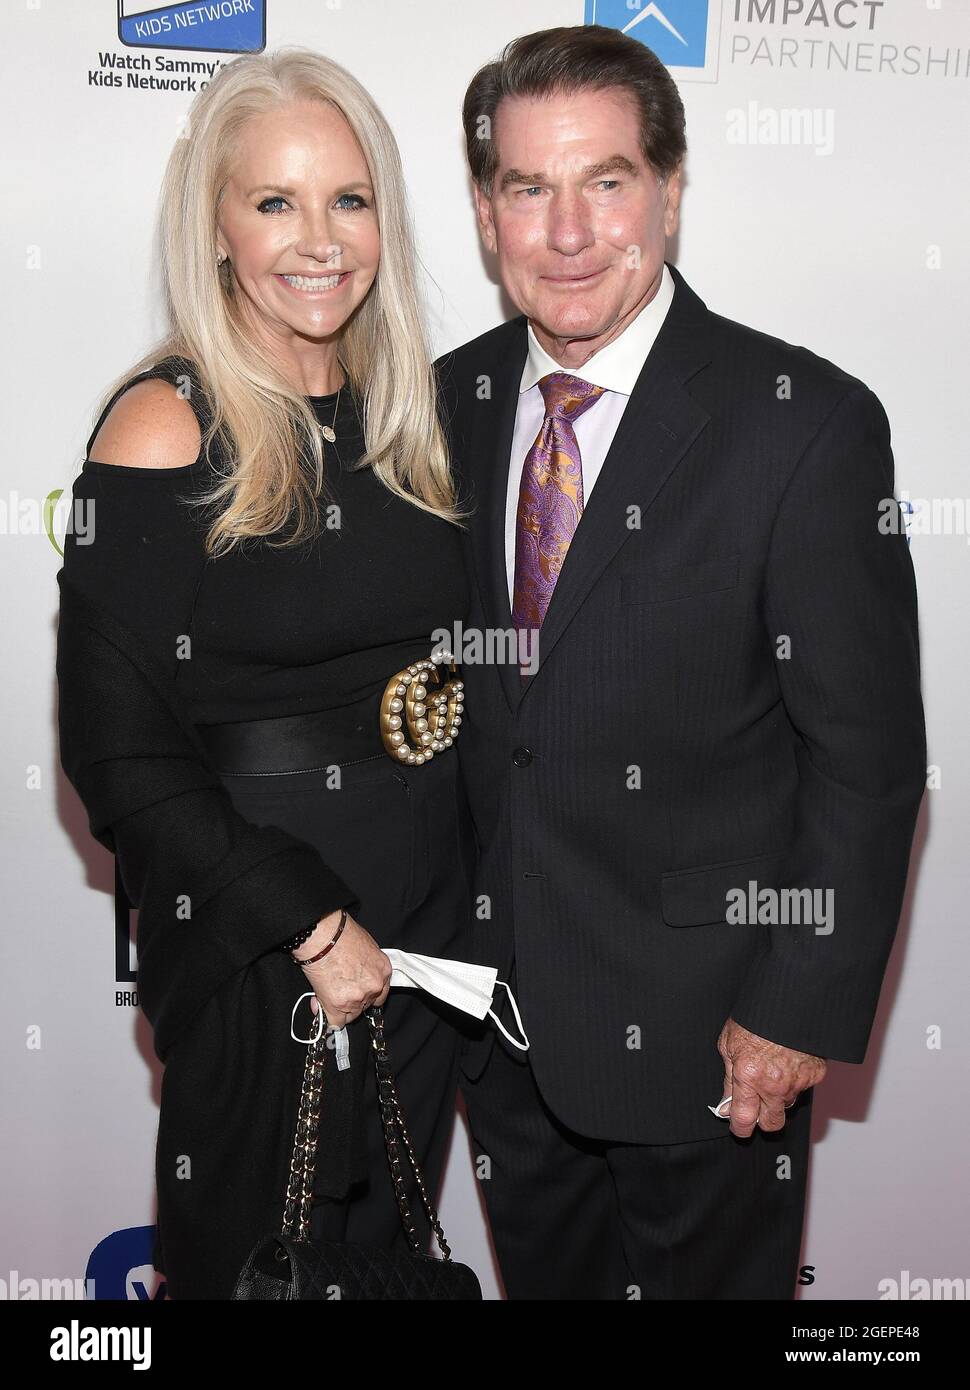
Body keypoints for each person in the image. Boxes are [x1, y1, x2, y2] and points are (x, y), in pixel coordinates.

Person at [435, 25, 926, 1299]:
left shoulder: (803, 426)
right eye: (527, 189)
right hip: (501, 1039)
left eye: (604, 181)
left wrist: (794, 1009)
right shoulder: (441, 407)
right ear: (487, 214)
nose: (567, 232)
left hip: (714, 1045)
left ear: (667, 186)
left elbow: (868, 763)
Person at [56, 46, 476, 1300]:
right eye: (275, 201)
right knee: (257, 1263)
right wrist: (308, 921)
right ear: (218, 223)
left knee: (387, 1263)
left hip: (419, 926)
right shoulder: (166, 420)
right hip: (260, 938)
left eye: (348, 199)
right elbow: (117, 749)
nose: (319, 240)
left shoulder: (404, 407)